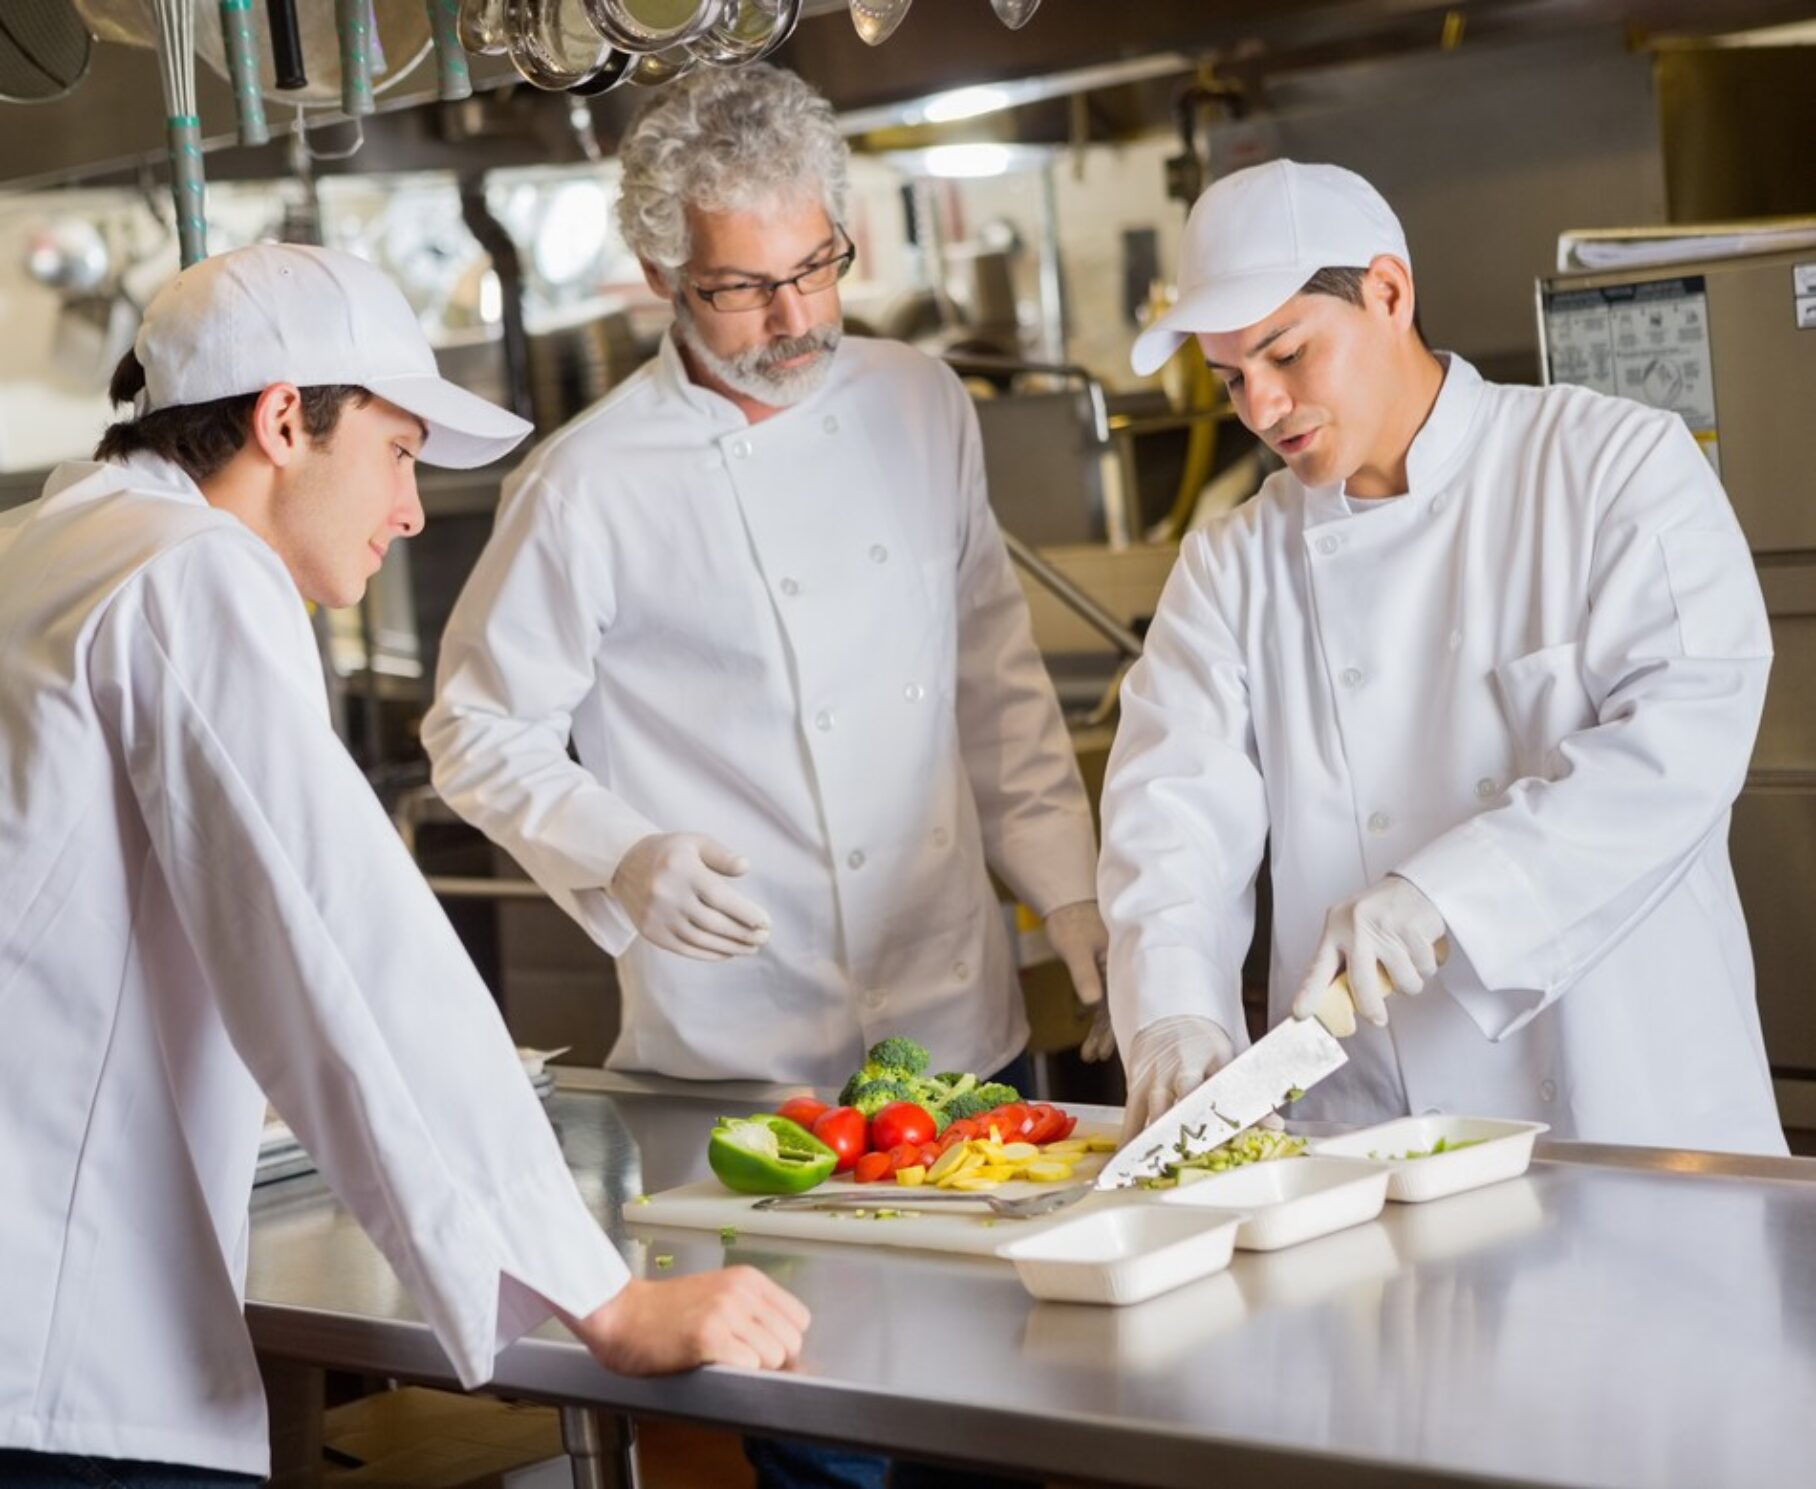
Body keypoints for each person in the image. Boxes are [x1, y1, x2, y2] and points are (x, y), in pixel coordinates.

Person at [0, 245, 807, 1488]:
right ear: (284, 420)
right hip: (59, 1377)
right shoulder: (190, 574)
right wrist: (599, 1293)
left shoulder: (43, 552)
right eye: (399, 451)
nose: (412, 507)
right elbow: (334, 935)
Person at [423, 63, 1100, 1489]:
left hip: (958, 1050)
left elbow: (995, 686)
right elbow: (473, 729)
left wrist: (1086, 910)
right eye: (743, 289)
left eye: (816, 268)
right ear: (661, 273)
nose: (794, 319)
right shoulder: (590, 481)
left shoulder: (924, 403)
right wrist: (622, 852)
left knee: (1019, 1429)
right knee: (830, 1445)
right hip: (746, 1075)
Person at [1100, 159, 1785, 1156]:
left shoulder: (1612, 465)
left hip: (1632, 1114)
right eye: (1229, 378)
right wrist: (1173, 1012)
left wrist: (1442, 897)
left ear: (1387, 291)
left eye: (1285, 354)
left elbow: (1680, 747)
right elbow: (1170, 818)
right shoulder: (1229, 564)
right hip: (1380, 1133)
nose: (1259, 406)